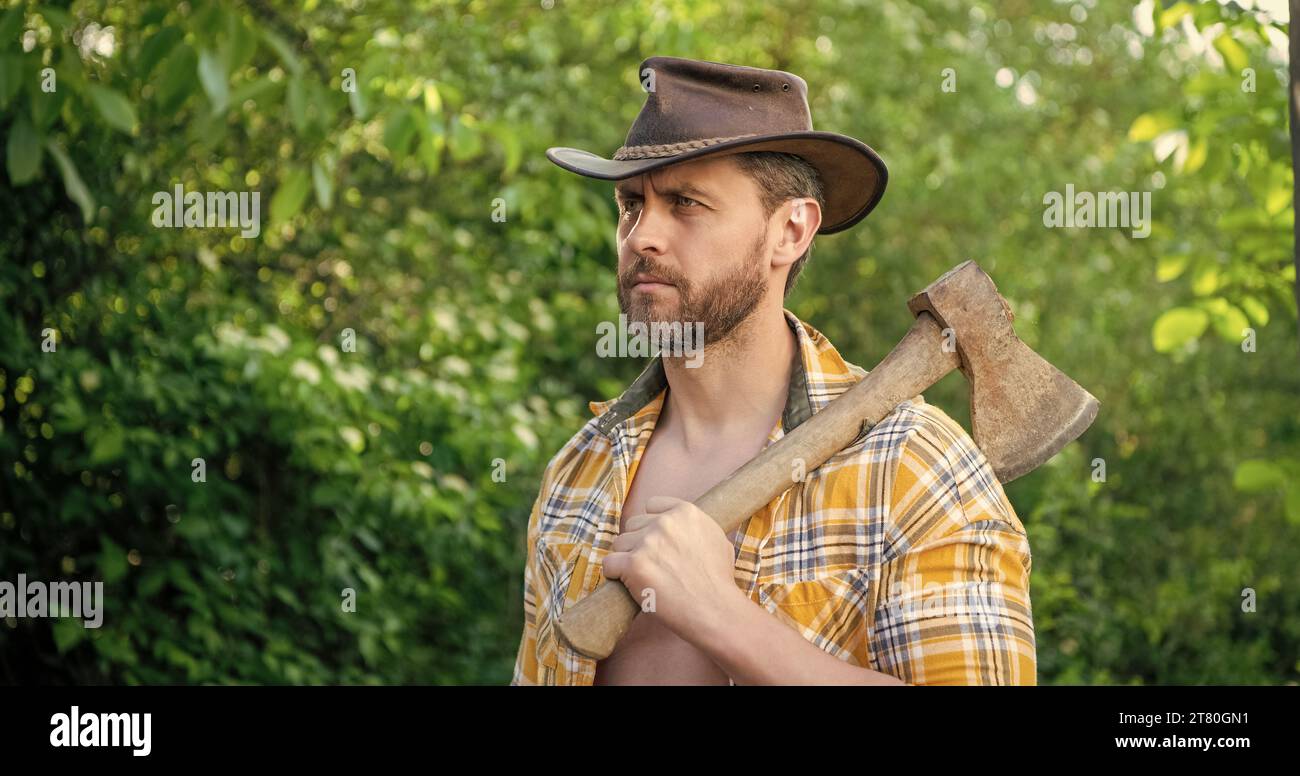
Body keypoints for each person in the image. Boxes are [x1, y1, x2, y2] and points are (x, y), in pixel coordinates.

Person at [512, 56, 1035, 685]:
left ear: (790, 230)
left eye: (685, 203)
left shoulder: (915, 470)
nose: (642, 235)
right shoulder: (580, 469)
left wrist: (720, 616)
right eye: (630, 204)